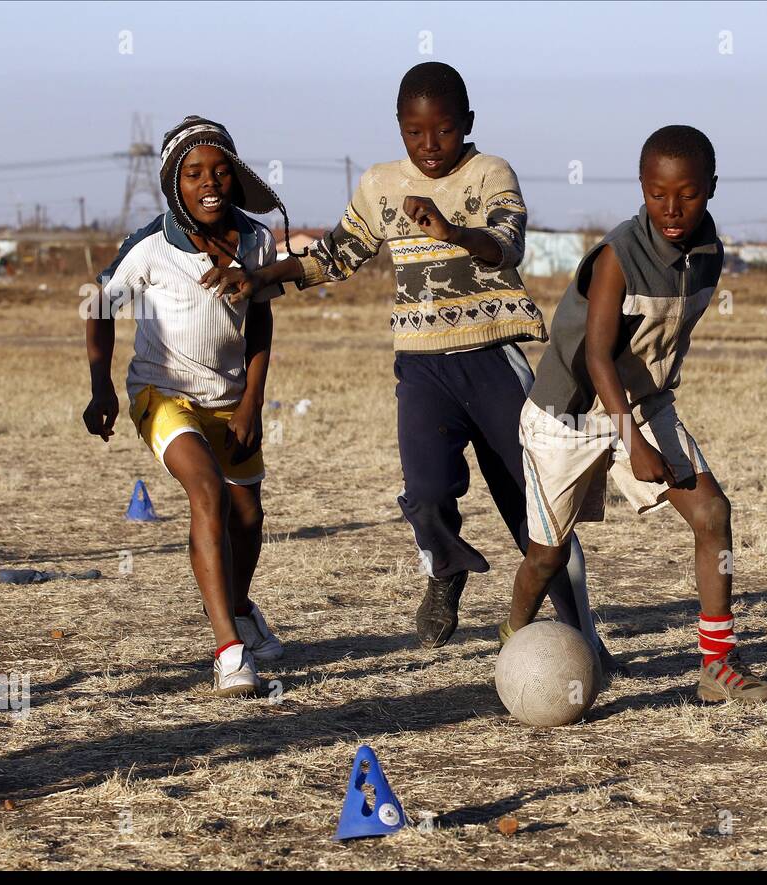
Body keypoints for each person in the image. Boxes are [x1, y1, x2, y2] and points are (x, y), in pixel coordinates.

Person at [213, 62, 618, 672]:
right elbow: (333, 257)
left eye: (445, 131)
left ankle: (583, 638)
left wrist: (450, 228)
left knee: (537, 508)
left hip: (493, 361)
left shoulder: (491, 174)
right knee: (425, 494)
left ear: (468, 125)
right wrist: (261, 276)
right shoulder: (380, 185)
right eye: (414, 133)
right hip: (423, 369)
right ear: (399, 129)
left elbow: (506, 244)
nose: (430, 147)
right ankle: (446, 567)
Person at [503, 125, 767, 703]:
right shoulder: (617, 257)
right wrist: (633, 442)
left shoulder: (708, 256)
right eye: (657, 194)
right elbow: (598, 356)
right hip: (566, 415)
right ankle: (513, 640)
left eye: (688, 194)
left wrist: (644, 423)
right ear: (641, 189)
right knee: (547, 555)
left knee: (712, 514)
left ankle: (718, 666)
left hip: (643, 406)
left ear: (711, 189)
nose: (672, 209)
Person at [82, 116, 291, 696]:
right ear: (174, 183)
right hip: (161, 394)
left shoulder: (255, 241)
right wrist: (101, 385)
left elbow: (261, 321)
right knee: (210, 494)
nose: (210, 182)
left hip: (230, 400)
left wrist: (252, 401)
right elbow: (99, 305)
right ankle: (228, 650)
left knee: (248, 519)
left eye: (221, 170)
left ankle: (240, 606)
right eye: (194, 172)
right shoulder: (150, 246)